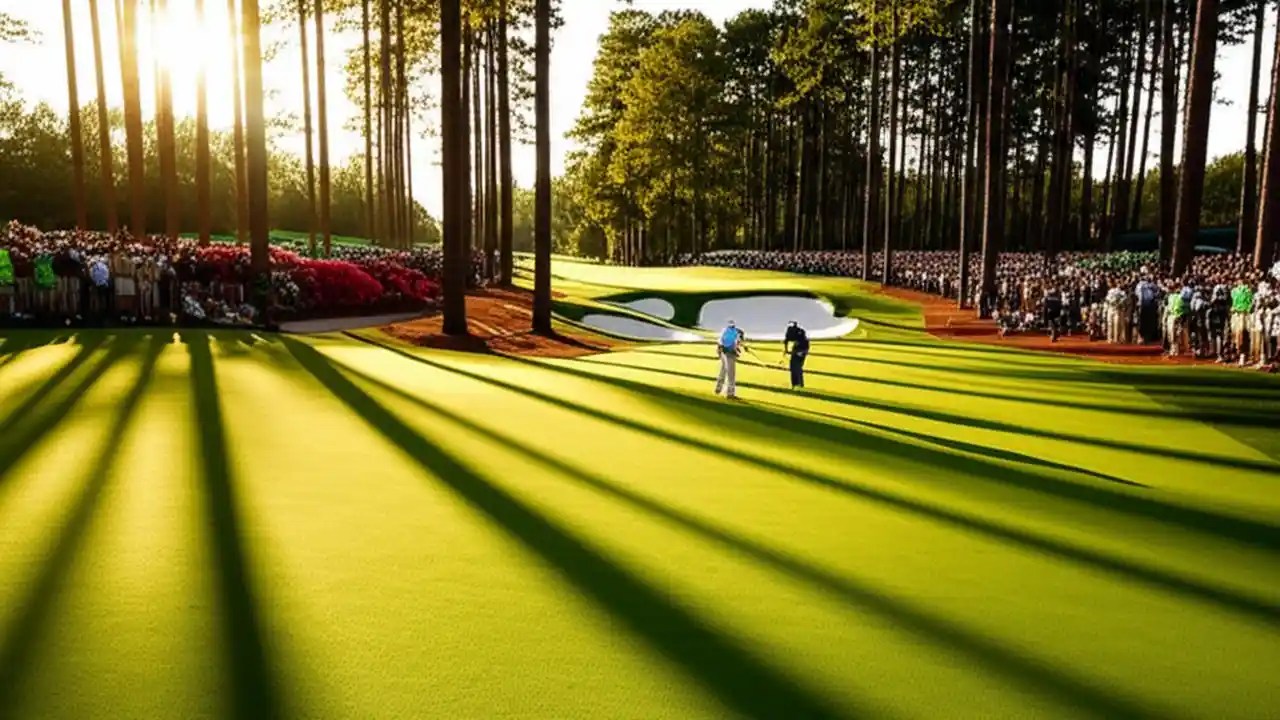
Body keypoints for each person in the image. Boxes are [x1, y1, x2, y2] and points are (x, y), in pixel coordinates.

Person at [715, 320, 743, 399]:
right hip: (729, 355)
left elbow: (720, 343)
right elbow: (736, 344)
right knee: (731, 374)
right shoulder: (737, 333)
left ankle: (718, 388)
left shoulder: (724, 331)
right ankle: (730, 393)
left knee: (723, 370)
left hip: (723, 353)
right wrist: (737, 350)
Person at [783, 321, 810, 390]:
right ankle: (796, 384)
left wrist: (800, 352)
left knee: (797, 367)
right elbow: (786, 341)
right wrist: (786, 350)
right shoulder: (790, 332)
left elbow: (806, 345)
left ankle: (798, 384)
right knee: (794, 367)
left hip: (802, 349)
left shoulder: (800, 333)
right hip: (797, 349)